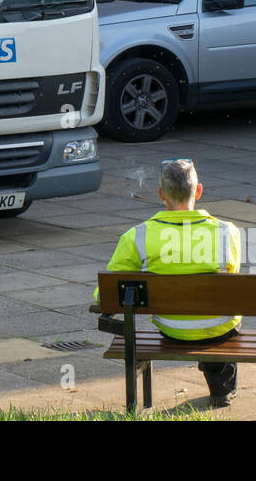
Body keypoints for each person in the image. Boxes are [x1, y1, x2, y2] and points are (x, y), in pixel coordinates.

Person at [94, 158, 242, 406]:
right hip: (219, 330)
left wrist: (101, 298)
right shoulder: (228, 232)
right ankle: (221, 387)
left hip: (172, 328)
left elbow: (107, 294)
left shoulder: (137, 236)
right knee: (222, 315)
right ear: (199, 191)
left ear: (161, 194)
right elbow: (231, 282)